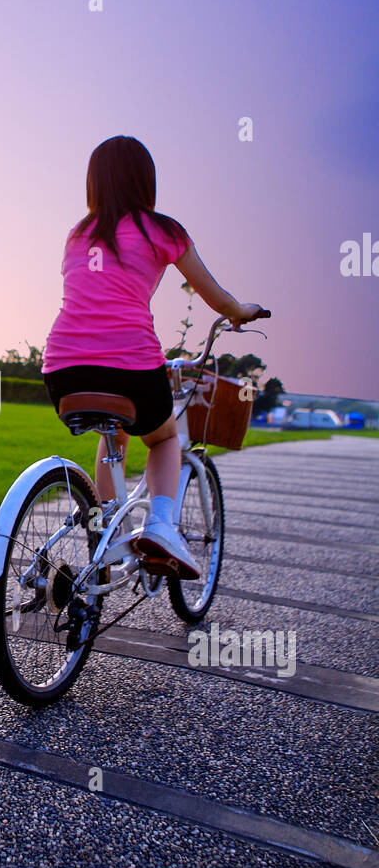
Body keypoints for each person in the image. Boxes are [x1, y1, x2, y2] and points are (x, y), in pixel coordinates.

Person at [41, 135, 269, 578]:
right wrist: (242, 313)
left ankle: (110, 529)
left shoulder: (77, 233)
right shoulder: (163, 230)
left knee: (113, 441)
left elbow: (91, 295)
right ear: (147, 181)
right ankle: (161, 525)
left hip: (63, 370)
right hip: (132, 368)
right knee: (164, 438)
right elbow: (217, 298)